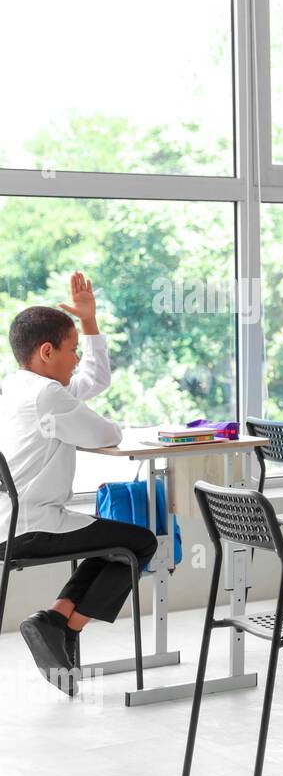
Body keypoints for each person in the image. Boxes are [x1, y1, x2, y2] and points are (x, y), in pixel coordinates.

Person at [0, 273, 158, 694]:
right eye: (70, 351)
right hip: (32, 527)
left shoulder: (18, 386)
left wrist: (88, 323)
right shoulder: (47, 396)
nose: (74, 360)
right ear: (46, 351)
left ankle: (57, 621)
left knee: (112, 542)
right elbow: (108, 435)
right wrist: (113, 422)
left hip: (14, 524)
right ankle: (61, 626)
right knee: (140, 543)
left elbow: (93, 381)